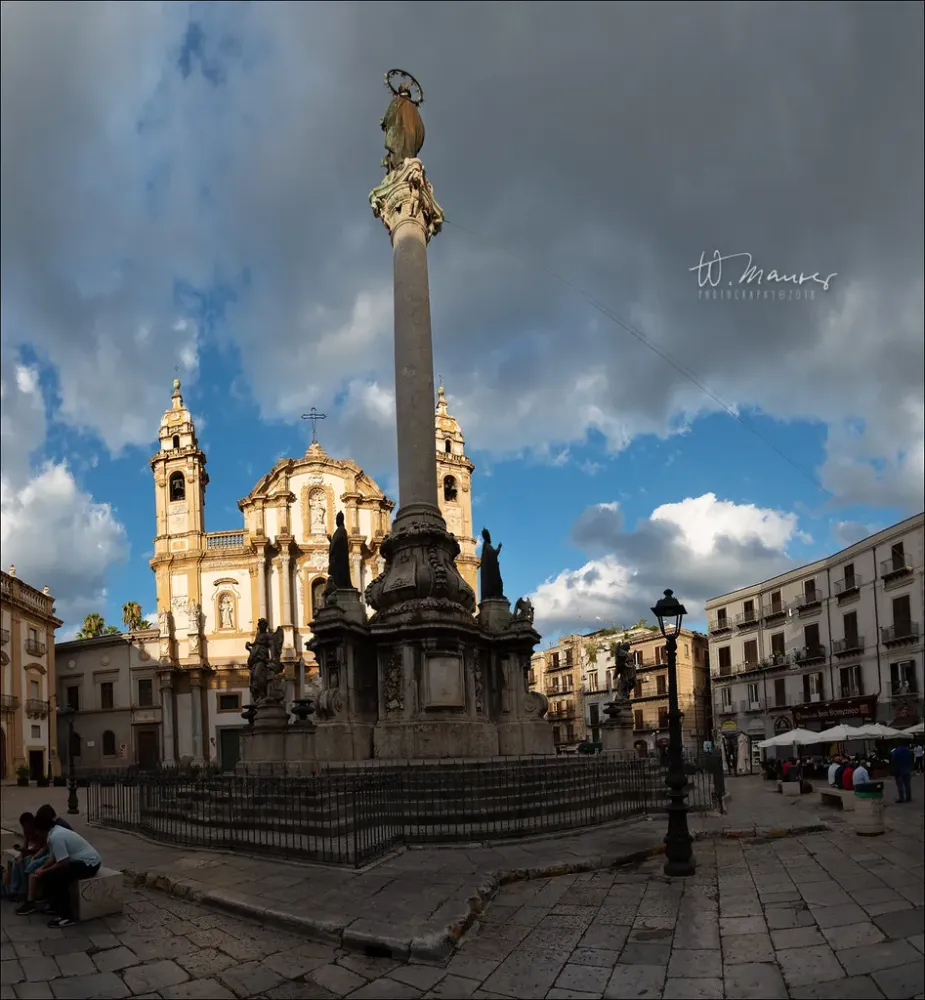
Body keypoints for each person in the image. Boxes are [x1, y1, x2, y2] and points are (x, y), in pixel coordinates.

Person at [18, 815, 102, 927]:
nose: (36, 834)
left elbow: (63, 862)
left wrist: (45, 871)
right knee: (49, 875)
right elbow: (53, 857)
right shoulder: (53, 834)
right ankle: (54, 906)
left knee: (58, 878)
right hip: (79, 861)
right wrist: (42, 868)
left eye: (37, 831)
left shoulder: (56, 836)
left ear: (42, 830)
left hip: (90, 863)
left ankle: (67, 916)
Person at [2, 813, 46, 903]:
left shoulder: (38, 831)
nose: (26, 829)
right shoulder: (26, 831)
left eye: (27, 826)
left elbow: (40, 848)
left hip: (41, 852)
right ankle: (14, 889)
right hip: (32, 850)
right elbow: (25, 846)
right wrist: (21, 854)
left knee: (25, 862)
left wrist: (26, 853)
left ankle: (23, 891)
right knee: (16, 860)